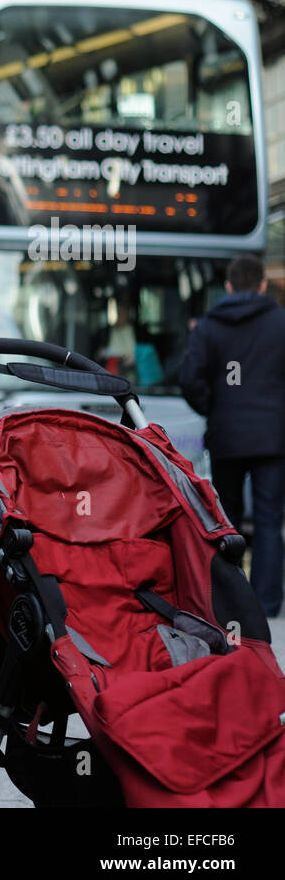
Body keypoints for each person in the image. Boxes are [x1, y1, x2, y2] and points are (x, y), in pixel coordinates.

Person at [180, 254, 285, 617]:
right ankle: (267, 605)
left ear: (227, 286)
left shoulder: (209, 326)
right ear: (261, 284)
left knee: (226, 520)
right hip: (273, 437)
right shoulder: (280, 322)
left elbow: (189, 379)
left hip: (226, 435)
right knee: (270, 520)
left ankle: (230, 603)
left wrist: (215, 406)